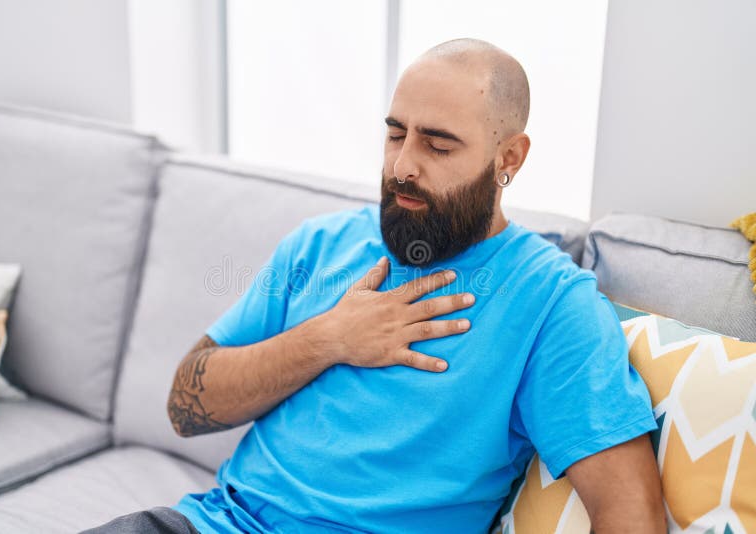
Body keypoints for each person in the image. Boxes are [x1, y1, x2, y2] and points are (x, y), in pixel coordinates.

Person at [84, 38, 666, 534]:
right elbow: (187, 405)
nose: (402, 166)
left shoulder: (550, 301)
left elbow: (629, 511)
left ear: (508, 158)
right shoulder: (319, 243)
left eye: (438, 145)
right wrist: (326, 339)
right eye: (395, 135)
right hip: (214, 522)